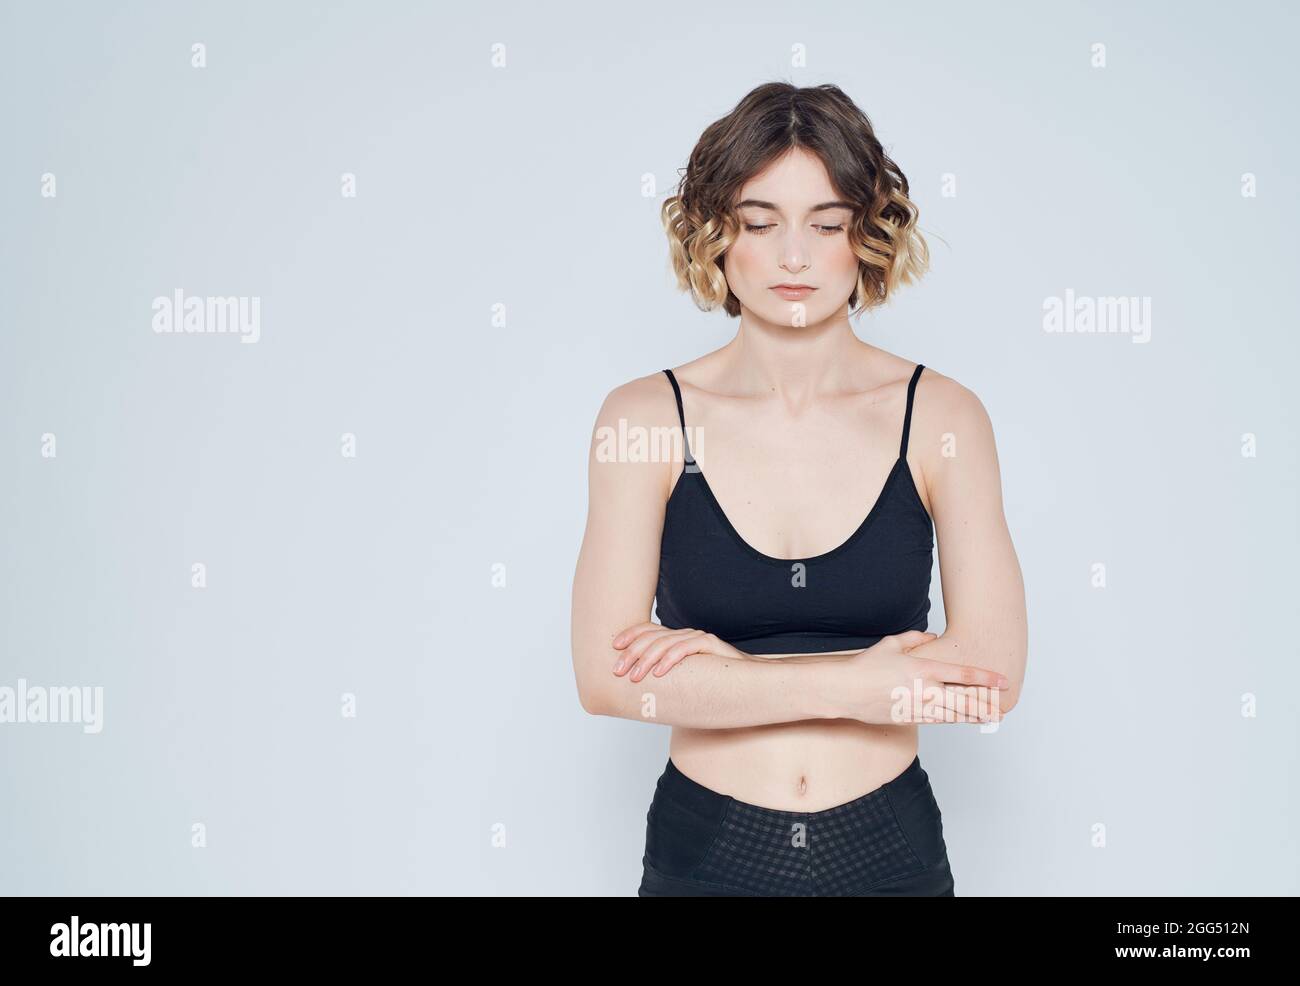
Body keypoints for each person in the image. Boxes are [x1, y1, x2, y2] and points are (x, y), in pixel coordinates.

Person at [570, 82, 1028, 896]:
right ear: (713, 234)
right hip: (707, 849)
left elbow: (988, 683)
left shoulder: (942, 416)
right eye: (759, 223)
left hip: (886, 847)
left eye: (826, 224)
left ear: (869, 234)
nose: (793, 257)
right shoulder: (642, 418)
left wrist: (725, 673)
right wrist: (862, 682)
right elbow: (606, 682)